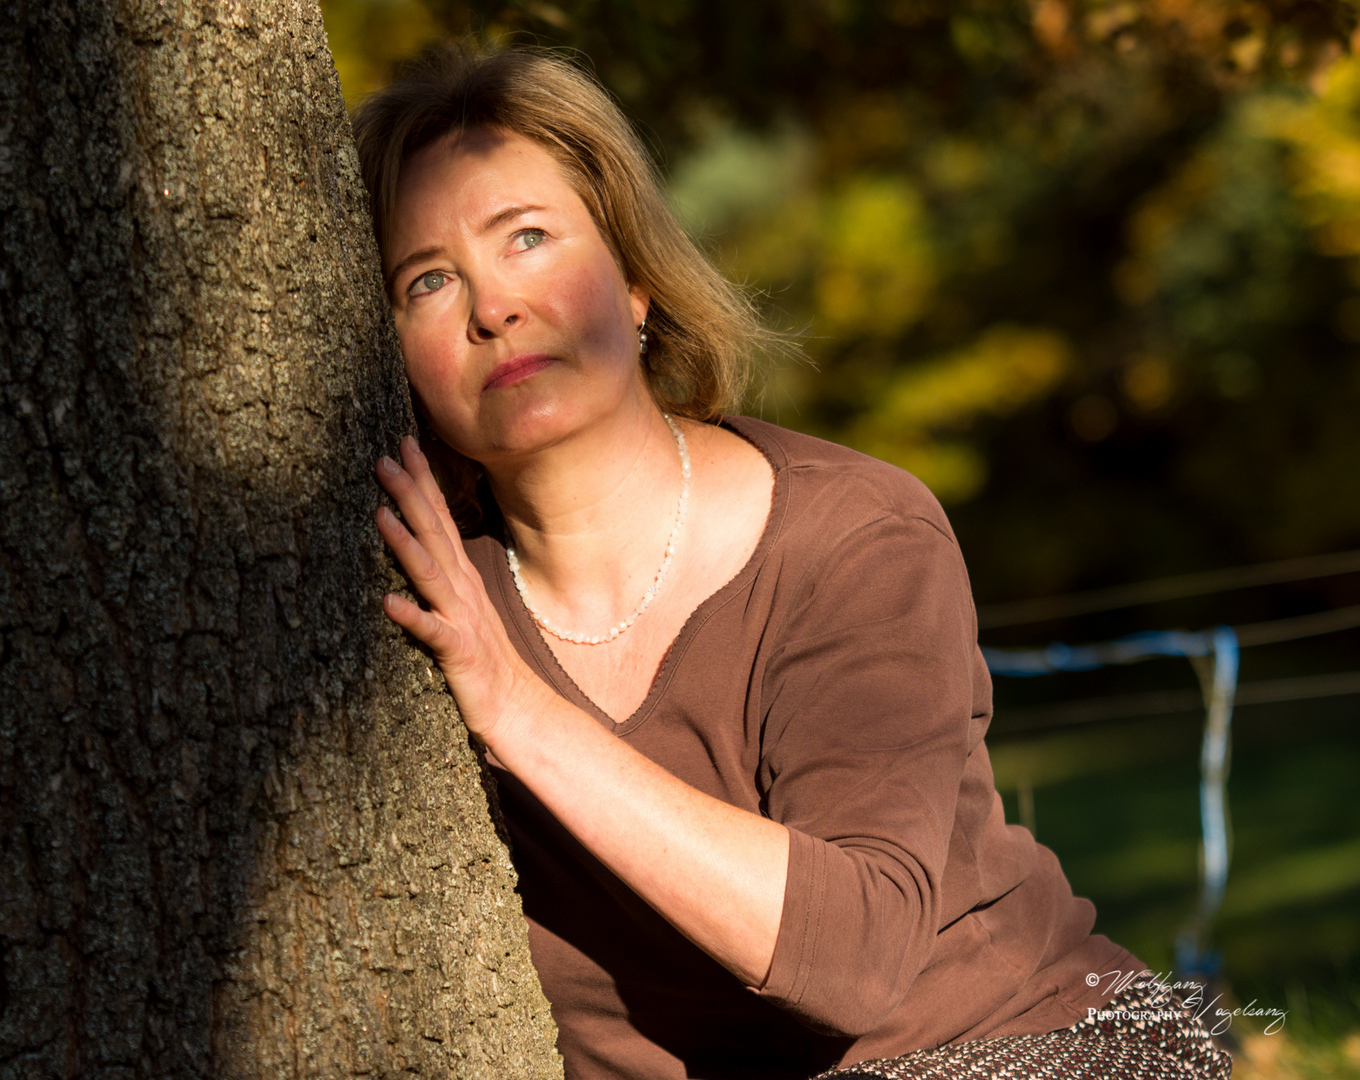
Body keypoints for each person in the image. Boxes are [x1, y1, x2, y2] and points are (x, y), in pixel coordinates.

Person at [351, 43, 1233, 1080]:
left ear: (635, 283)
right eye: (428, 280)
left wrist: (515, 712)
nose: (490, 308)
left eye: (529, 238)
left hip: (1018, 1046)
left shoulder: (855, 537)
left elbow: (853, 957)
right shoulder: (410, 588)